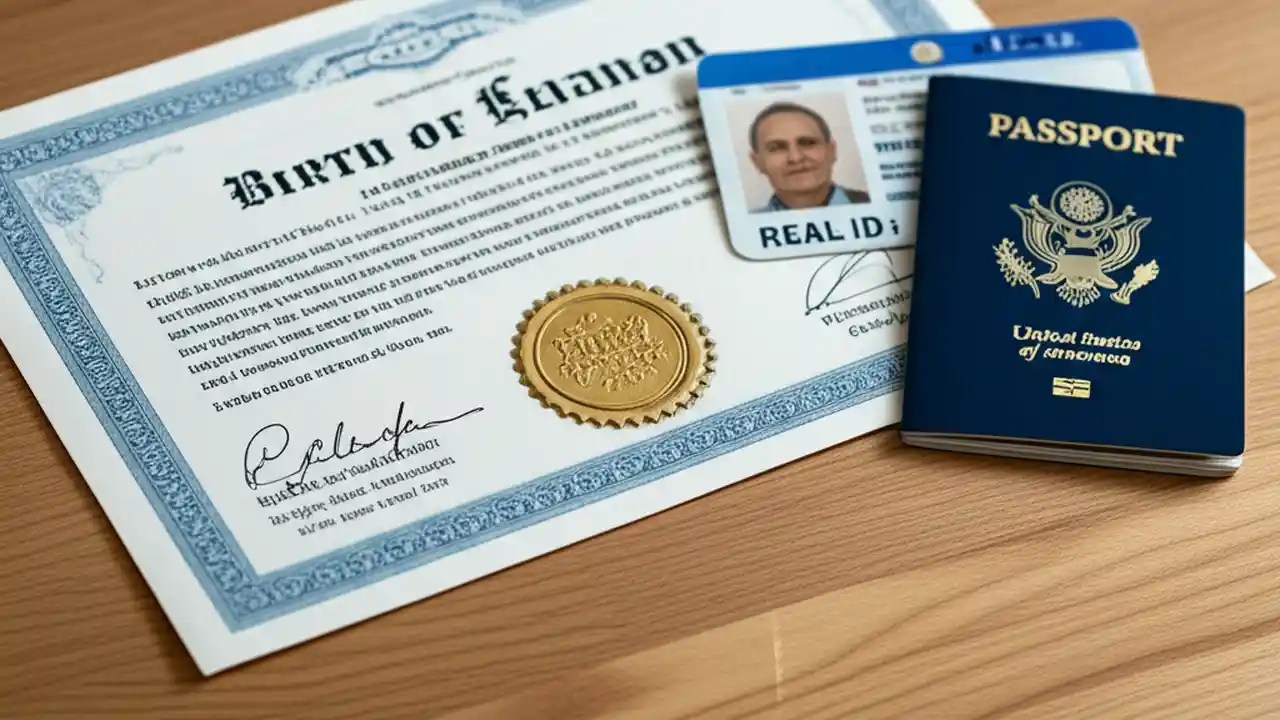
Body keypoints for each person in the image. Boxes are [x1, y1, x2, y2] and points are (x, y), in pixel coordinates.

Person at [748, 102, 870, 212]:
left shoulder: (879, 206)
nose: (796, 158)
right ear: (757, 162)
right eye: (777, 148)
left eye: (808, 143)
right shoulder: (745, 230)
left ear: (831, 151)